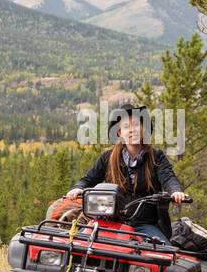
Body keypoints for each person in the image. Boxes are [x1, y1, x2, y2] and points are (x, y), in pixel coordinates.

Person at [66, 103, 186, 243]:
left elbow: (168, 177)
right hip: (111, 221)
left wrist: (175, 191)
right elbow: (89, 178)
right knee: (80, 244)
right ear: (119, 132)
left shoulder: (156, 157)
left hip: (144, 224)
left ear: (143, 129)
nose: (131, 130)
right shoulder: (108, 157)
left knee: (163, 252)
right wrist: (78, 188)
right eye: (126, 127)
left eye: (135, 124)